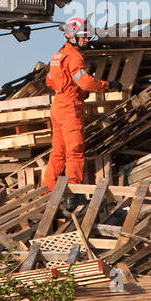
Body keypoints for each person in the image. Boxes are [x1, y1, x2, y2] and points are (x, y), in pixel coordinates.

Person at [44, 16, 118, 194]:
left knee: (58, 153)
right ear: (72, 36)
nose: (87, 39)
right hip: (70, 108)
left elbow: (49, 81)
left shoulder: (57, 56)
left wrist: (71, 89)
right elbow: (84, 81)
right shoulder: (75, 57)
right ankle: (73, 193)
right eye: (83, 36)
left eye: (87, 36)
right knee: (75, 151)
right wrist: (107, 86)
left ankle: (47, 190)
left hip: (58, 106)